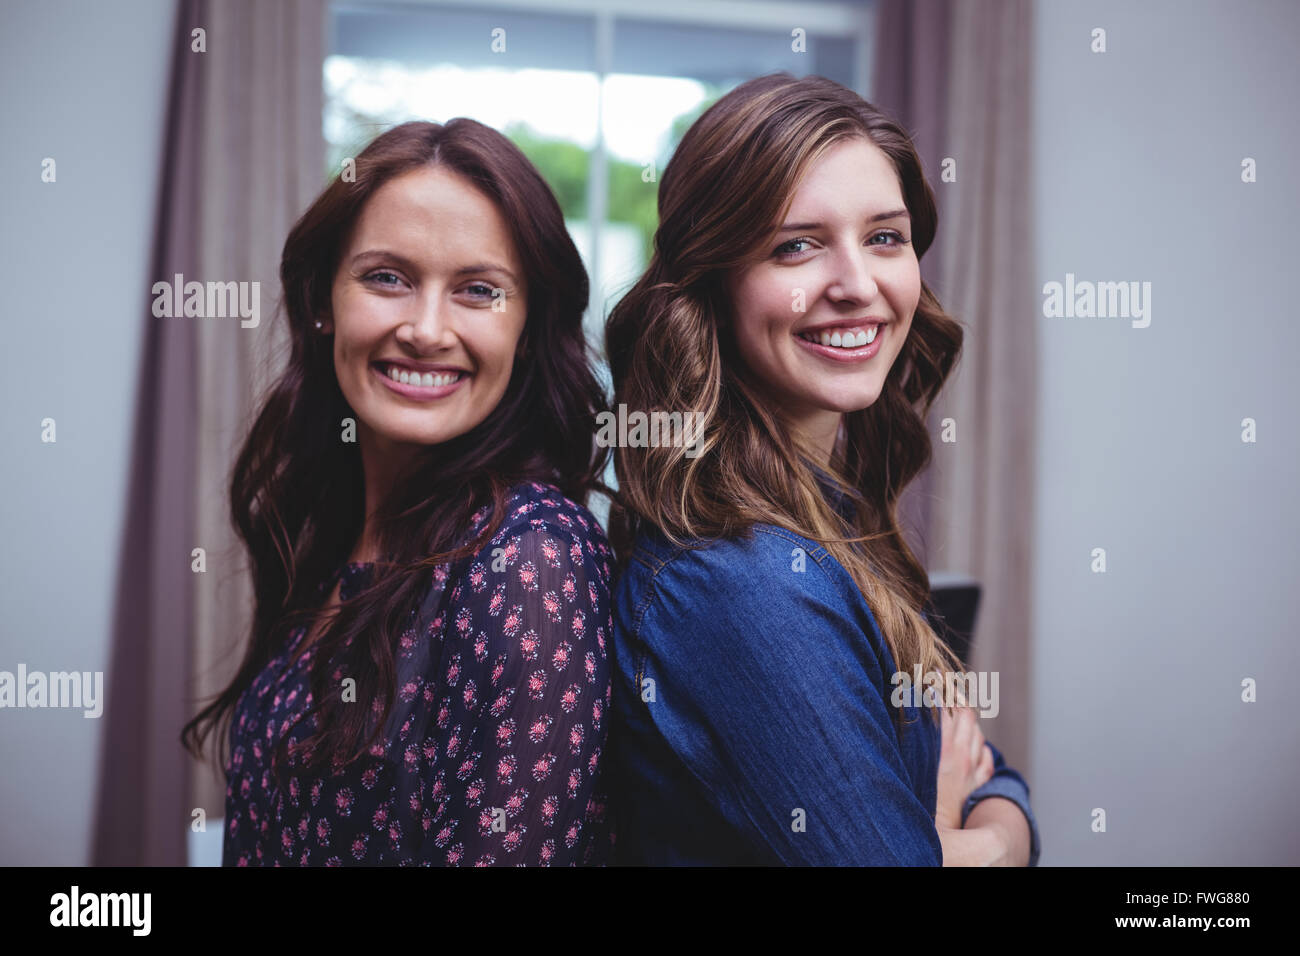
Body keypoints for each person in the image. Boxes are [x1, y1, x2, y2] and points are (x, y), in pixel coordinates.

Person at [603, 73, 1040, 865]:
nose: (857, 285)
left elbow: (985, 765)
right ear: (713, 281)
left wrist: (964, 829)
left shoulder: (827, 512)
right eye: (795, 245)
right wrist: (968, 836)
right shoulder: (743, 578)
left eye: (885, 237)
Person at [181, 119, 615, 866]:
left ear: (528, 328)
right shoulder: (334, 527)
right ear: (323, 299)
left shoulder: (529, 560)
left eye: (479, 291)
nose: (424, 329)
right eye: (388, 277)